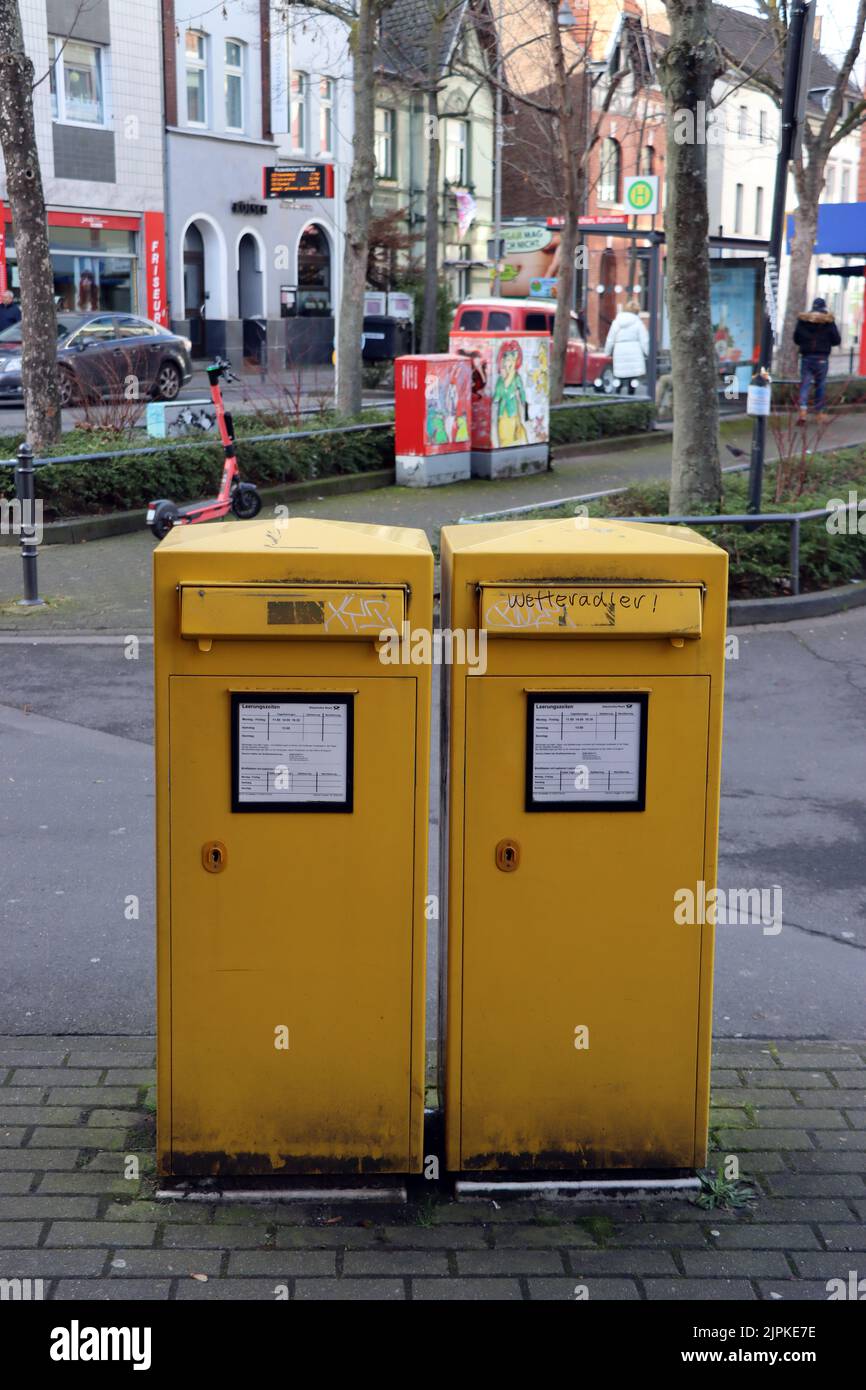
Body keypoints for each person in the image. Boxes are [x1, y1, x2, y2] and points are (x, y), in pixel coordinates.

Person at [793, 296, 840, 424]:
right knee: (820, 384)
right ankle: (819, 413)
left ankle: (802, 411)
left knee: (805, 384)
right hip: (822, 358)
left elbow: (796, 338)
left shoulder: (803, 320)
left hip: (807, 357)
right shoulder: (828, 321)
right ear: (824, 308)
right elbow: (836, 340)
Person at [604, 299, 649, 394]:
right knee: (632, 380)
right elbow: (644, 340)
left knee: (620, 378)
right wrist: (648, 353)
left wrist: (607, 352)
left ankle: (618, 397)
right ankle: (630, 398)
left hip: (619, 350)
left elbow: (610, 338)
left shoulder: (617, 322)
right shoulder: (638, 323)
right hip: (634, 351)